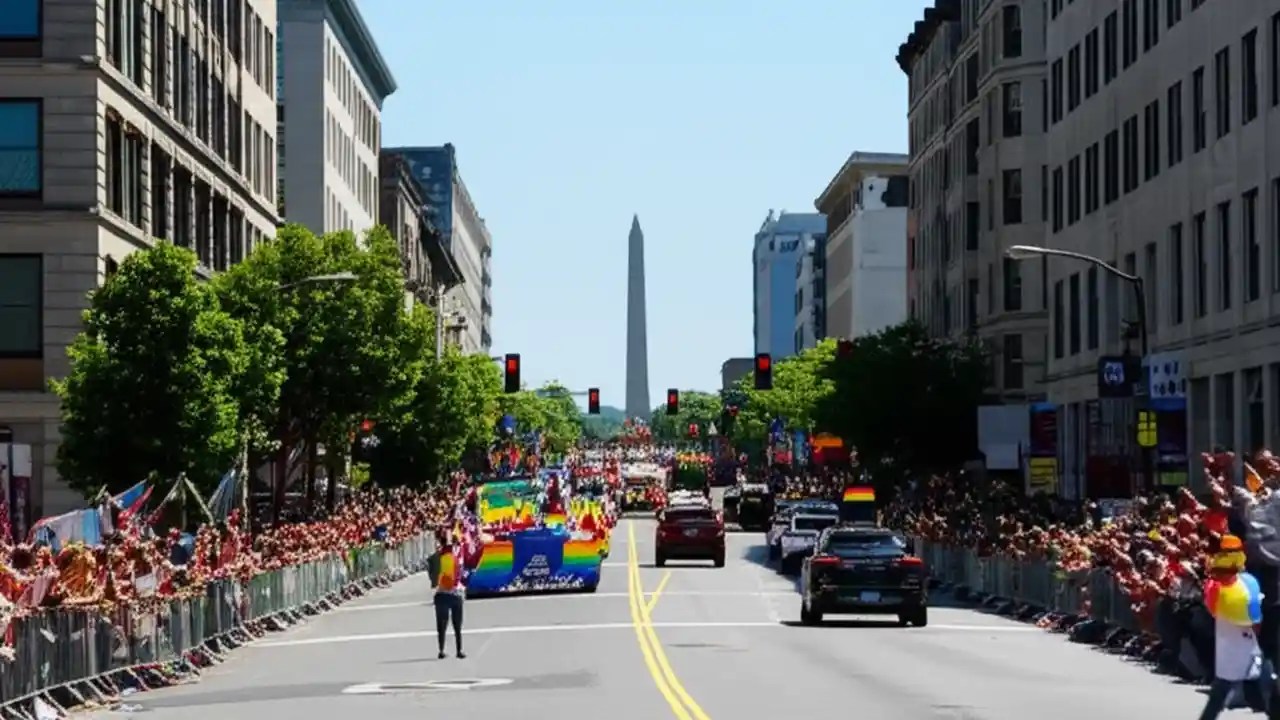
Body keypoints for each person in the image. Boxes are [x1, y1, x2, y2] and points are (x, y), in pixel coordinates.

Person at [1199, 534, 1272, 720]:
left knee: (1222, 688)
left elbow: (1212, 609)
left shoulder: (1213, 584)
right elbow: (1255, 617)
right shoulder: (1247, 582)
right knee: (1266, 685)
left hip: (1226, 639)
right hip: (1245, 639)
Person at [429, 529, 466, 659]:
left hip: (443, 594)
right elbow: (460, 575)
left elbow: (433, 580)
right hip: (453, 593)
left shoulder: (436, 558)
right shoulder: (454, 557)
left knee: (442, 625)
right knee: (456, 624)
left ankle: (442, 650)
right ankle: (457, 650)